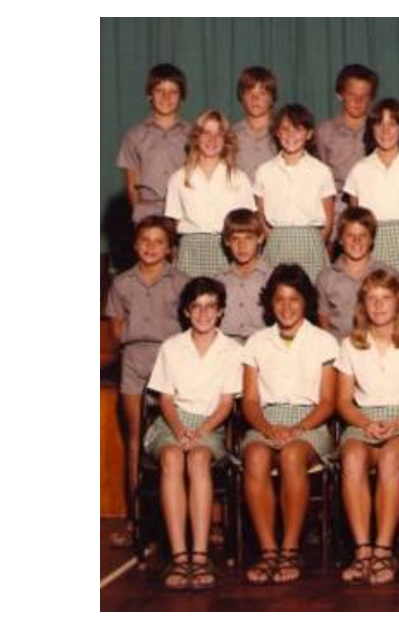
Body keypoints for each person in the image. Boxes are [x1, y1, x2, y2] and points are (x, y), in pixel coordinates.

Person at [335, 269, 399, 585]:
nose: (378, 305)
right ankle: (362, 551)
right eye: (371, 298)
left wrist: (398, 423)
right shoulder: (351, 344)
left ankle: (383, 552)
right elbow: (342, 401)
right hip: (363, 420)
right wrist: (366, 424)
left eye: (385, 298)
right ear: (362, 305)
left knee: (391, 456)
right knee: (352, 457)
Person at [240, 264, 338, 584]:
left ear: (306, 302)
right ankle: (268, 552)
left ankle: (290, 548)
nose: (286, 306)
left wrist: (297, 430)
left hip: (309, 424)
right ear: (270, 303)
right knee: (255, 455)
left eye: (293, 299)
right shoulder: (256, 342)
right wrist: (268, 428)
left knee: (292, 455)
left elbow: (327, 402)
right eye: (279, 299)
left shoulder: (324, 341)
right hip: (265, 421)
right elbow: (250, 402)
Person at [144, 277, 242, 589]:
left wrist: (200, 431)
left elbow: (227, 404)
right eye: (196, 307)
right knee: (172, 457)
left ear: (221, 310)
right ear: (186, 312)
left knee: (198, 459)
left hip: (209, 425)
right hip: (171, 423)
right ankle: (179, 556)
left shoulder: (232, 350)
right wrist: (179, 430)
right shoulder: (172, 347)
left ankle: (200, 557)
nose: (203, 313)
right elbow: (166, 400)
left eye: (210, 306)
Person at [105, 215, 190, 547]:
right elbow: (115, 328)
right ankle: (135, 519)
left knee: (179, 435)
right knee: (135, 440)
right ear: (134, 244)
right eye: (144, 241)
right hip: (135, 363)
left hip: (171, 362)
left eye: (158, 242)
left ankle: (187, 519)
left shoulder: (181, 282)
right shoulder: (122, 282)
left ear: (170, 249)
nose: (150, 247)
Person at [344, 97, 399, 289]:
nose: (386, 131)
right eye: (379, 124)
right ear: (372, 129)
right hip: (372, 248)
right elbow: (356, 221)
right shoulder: (359, 170)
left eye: (392, 124)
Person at [165, 110, 255, 277]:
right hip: (190, 251)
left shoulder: (239, 178)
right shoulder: (178, 178)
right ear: (196, 137)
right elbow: (173, 224)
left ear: (226, 140)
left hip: (226, 250)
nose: (212, 140)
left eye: (218, 134)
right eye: (206, 133)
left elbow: (247, 224)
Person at [253, 104, 337, 281]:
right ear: (277, 132)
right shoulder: (264, 171)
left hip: (310, 245)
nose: (291, 135)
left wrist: (313, 242)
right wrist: (275, 238)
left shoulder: (321, 171)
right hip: (277, 243)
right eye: (285, 129)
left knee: (311, 298)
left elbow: (328, 222)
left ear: (309, 134)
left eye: (298, 129)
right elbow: (260, 216)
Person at [118, 63, 191, 223]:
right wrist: (139, 212)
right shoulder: (134, 135)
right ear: (149, 94)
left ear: (182, 97)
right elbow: (132, 183)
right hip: (147, 212)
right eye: (159, 91)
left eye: (173, 92)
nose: (166, 97)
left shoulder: (193, 135)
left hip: (184, 211)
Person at [316, 207, 399, 339]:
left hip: (376, 349)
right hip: (340, 349)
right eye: (350, 235)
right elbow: (324, 319)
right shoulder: (327, 276)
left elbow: (398, 315)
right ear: (340, 239)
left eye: (363, 235)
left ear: (372, 239)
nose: (357, 241)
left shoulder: (388, 274)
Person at [316, 63, 378, 208]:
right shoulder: (325, 130)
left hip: (373, 202)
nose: (358, 101)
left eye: (364, 96)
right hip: (336, 204)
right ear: (340, 95)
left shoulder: (380, 129)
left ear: (372, 98)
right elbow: (318, 175)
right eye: (352, 94)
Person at [216, 209, 273, 341]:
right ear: (226, 241)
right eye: (235, 239)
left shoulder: (271, 276)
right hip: (228, 345)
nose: (242, 246)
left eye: (248, 238)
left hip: (262, 343)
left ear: (260, 238)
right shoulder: (220, 279)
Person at [233, 66, 278, 180]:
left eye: (262, 93)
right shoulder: (231, 135)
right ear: (241, 97)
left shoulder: (284, 133)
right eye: (249, 93)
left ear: (272, 98)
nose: (255, 99)